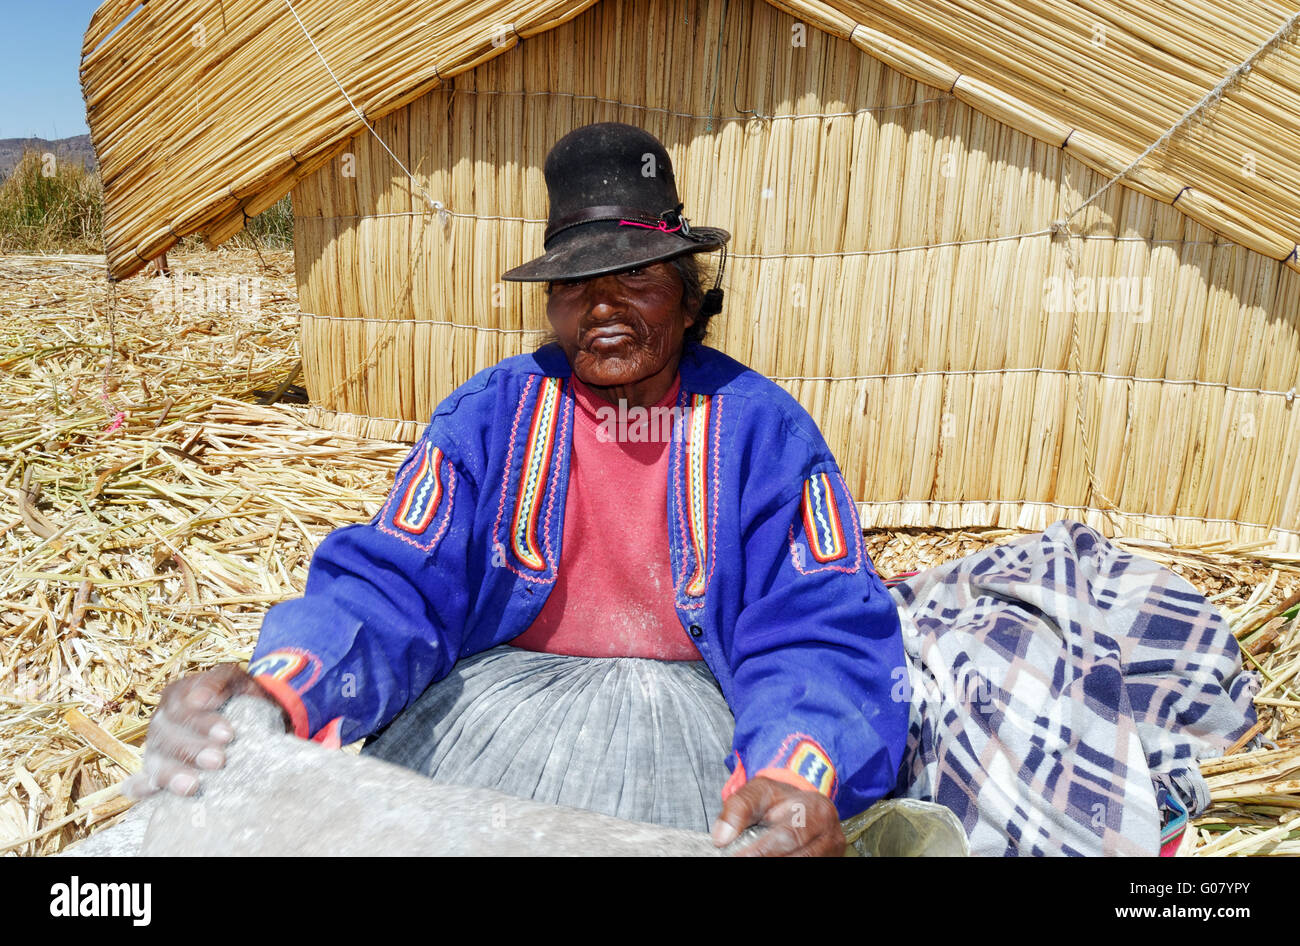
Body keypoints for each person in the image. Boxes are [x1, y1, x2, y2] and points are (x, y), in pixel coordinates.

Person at [124, 122, 909, 857]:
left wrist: (799, 769)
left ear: (691, 294)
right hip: (488, 728)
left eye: (635, 275)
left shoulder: (763, 434)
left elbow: (819, 625)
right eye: (574, 283)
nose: (602, 307)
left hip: (691, 742)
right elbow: (394, 581)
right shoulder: (491, 416)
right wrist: (281, 689)